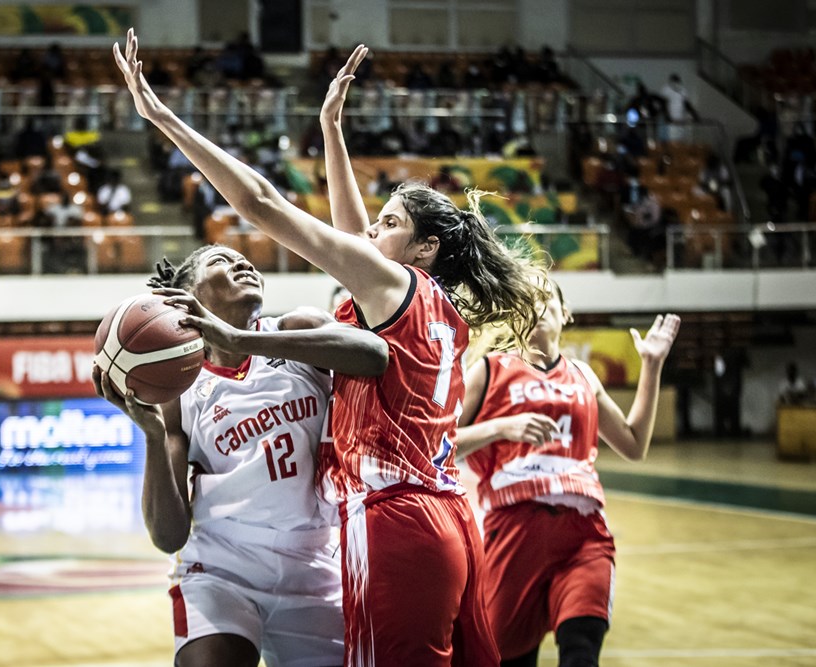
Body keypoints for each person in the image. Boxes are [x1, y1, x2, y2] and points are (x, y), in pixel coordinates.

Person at [114, 33, 547, 664]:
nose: (372, 229)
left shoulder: (378, 296)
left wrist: (161, 117)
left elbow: (262, 204)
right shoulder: (423, 303)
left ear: (423, 250)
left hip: (392, 516)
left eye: (389, 222)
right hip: (448, 511)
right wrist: (331, 129)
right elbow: (353, 238)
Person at [94, 245, 389, 667]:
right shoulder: (181, 393)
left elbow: (375, 355)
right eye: (220, 261)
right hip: (222, 568)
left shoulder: (296, 328)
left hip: (316, 563)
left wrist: (238, 339)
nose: (244, 263)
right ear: (187, 294)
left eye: (244, 259)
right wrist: (155, 439)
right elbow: (168, 537)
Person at [457, 284, 681, 666]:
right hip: (513, 532)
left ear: (565, 314)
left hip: (584, 533)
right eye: (528, 299)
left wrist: (652, 365)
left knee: (582, 649)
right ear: (514, 314)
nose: (538, 306)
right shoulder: (490, 370)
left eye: (547, 299)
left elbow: (633, 444)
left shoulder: (583, 375)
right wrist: (501, 428)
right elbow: (439, 443)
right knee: (511, 658)